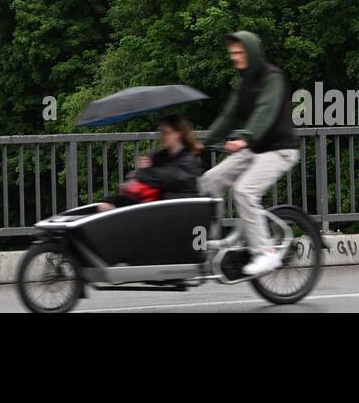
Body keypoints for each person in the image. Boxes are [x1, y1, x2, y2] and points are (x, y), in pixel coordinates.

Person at [199, 31, 300, 276]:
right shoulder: (243, 84)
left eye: (239, 52)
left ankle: (266, 253)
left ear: (252, 52)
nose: (234, 57)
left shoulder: (272, 78)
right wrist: (202, 144)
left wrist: (245, 137)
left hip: (280, 149)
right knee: (208, 181)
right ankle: (213, 243)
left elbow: (265, 111)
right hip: (255, 149)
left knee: (244, 190)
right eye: (232, 53)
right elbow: (227, 116)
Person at [97, 115, 203, 210]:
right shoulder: (160, 156)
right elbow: (142, 176)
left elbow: (163, 177)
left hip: (175, 210)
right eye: (161, 133)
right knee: (107, 202)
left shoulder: (187, 160)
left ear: (178, 134)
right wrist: (141, 171)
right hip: (155, 205)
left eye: (166, 133)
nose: (162, 137)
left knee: (113, 206)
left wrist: (145, 171)